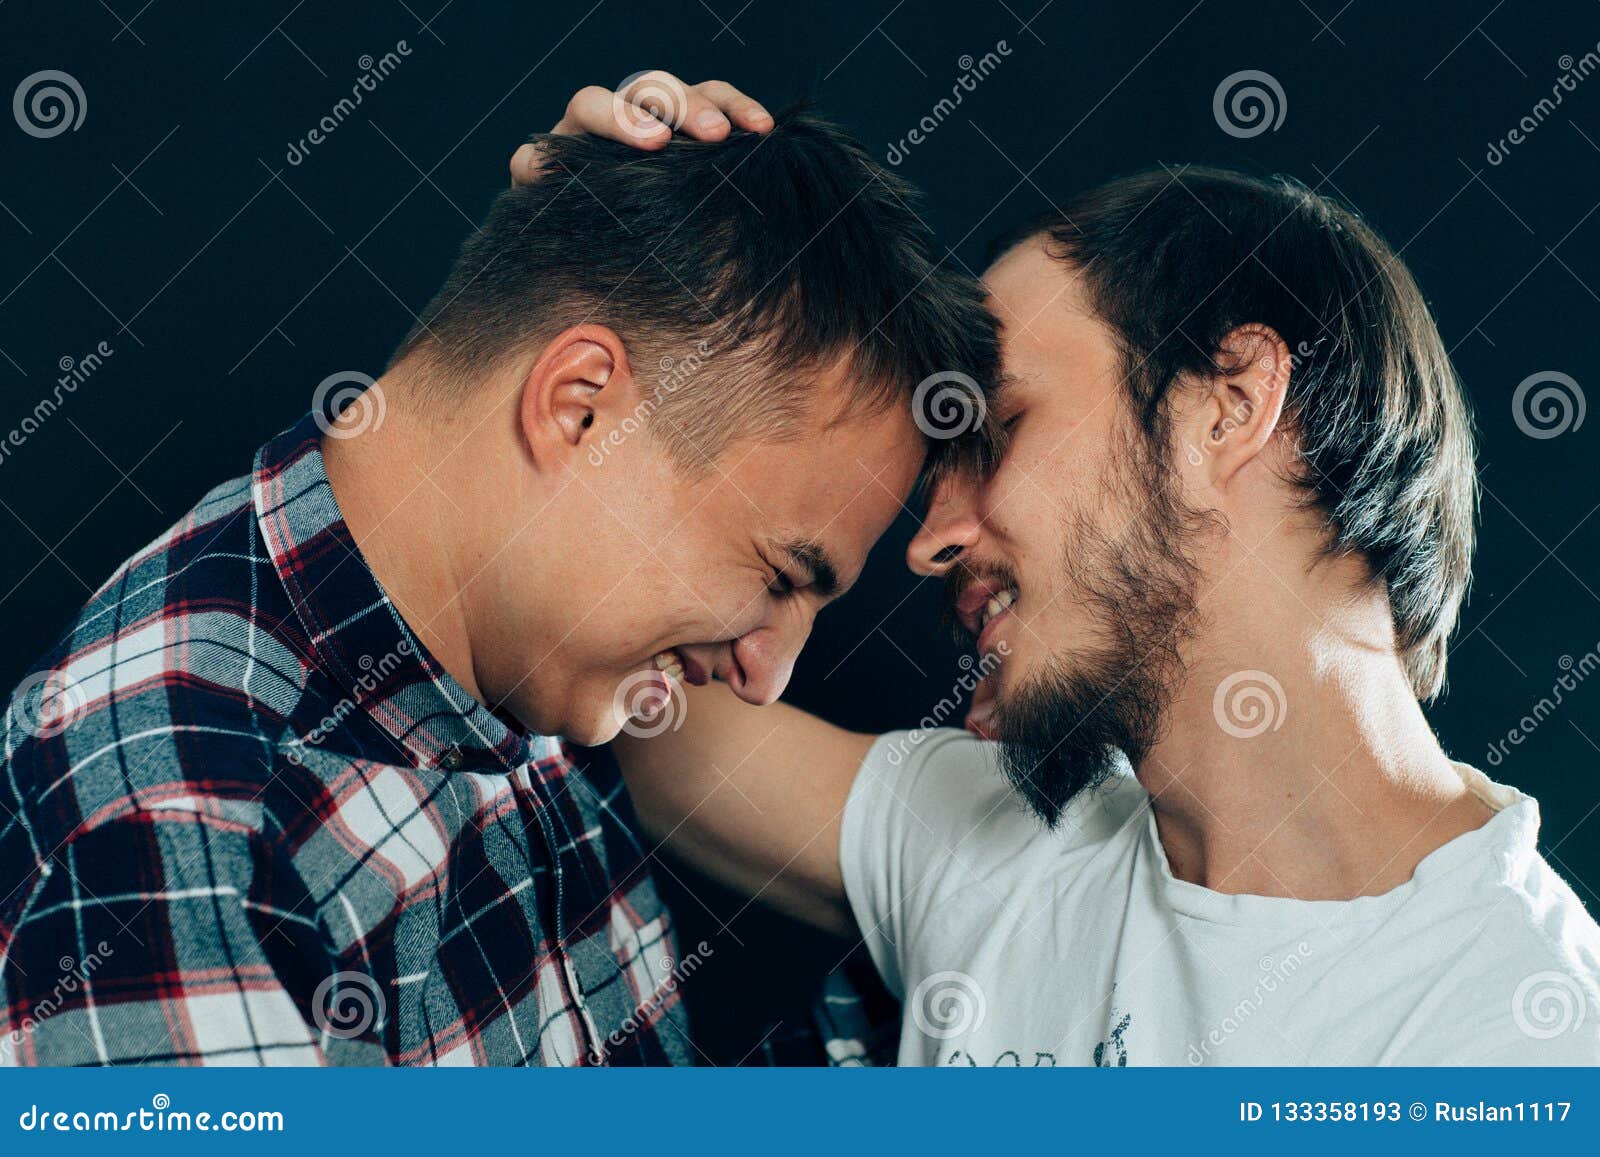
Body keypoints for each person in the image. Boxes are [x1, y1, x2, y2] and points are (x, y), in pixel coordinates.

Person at [552, 75, 1600, 1066]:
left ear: (1227, 403)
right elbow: (617, 690)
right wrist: (607, 267)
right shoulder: (996, 842)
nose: (929, 541)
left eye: (1002, 426)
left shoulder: (1518, 1028)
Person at [0, 100, 1004, 1066]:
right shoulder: (167, 841)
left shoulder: (518, 638)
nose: (765, 673)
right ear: (580, 410)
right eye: (781, 574)